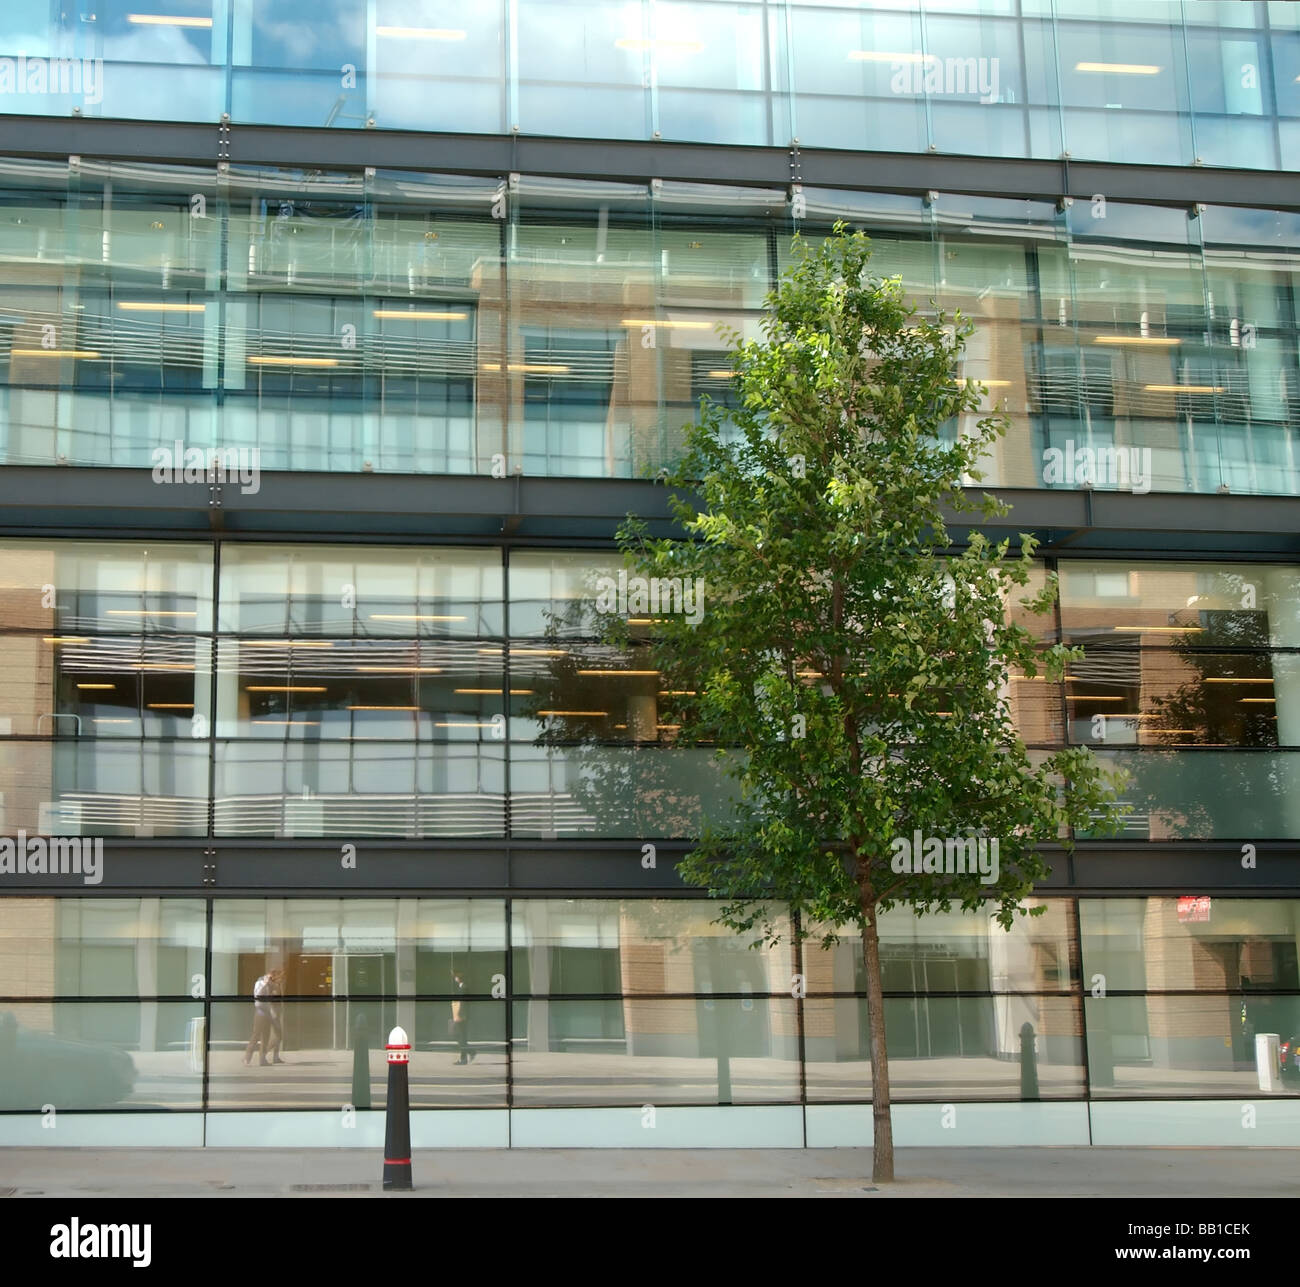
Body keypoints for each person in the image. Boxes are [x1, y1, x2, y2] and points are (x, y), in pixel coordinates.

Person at [243, 967, 286, 1066]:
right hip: (260, 1012)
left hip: (268, 1012)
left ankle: (262, 1060)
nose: (281, 980)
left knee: (265, 1036)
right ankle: (247, 1058)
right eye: (279, 977)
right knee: (256, 1035)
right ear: (273, 976)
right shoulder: (260, 982)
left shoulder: (273, 985)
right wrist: (265, 983)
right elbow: (257, 995)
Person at [450, 970, 473, 1065]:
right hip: (462, 1015)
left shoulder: (464, 988)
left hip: (462, 1016)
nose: (455, 979)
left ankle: (465, 1057)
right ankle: (469, 1053)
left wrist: (458, 1013)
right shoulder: (461, 987)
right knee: (461, 1036)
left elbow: (463, 1002)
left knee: (461, 1036)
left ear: (459, 978)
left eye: (456, 977)